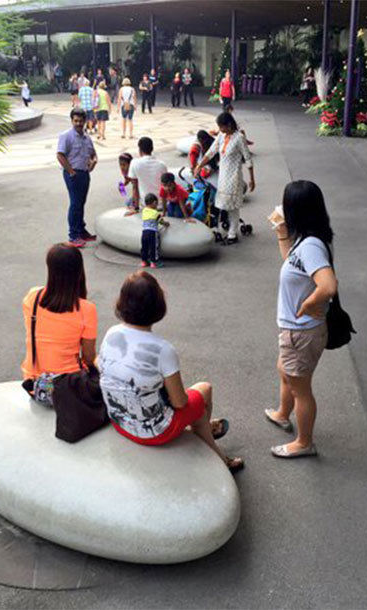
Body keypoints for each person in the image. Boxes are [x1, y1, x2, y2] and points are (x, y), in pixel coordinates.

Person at [97, 271, 244, 473]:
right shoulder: (162, 349)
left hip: (119, 421)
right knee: (203, 391)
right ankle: (219, 458)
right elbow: (179, 402)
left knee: (194, 407)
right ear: (157, 306)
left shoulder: (111, 333)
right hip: (152, 432)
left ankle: (203, 429)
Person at [265, 180, 338, 459]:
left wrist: (308, 304)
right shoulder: (307, 240)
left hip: (301, 332)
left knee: (301, 388)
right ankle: (284, 413)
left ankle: (304, 442)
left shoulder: (311, 246)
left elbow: (329, 285)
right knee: (286, 371)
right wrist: (282, 232)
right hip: (296, 330)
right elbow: (291, 265)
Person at [21, 243, 97, 405]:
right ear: (79, 271)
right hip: (68, 386)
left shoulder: (32, 297)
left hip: (34, 382)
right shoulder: (86, 308)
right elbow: (89, 357)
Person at [194, 112, 254, 245]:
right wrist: (199, 166)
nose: (220, 129)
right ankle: (225, 229)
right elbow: (211, 152)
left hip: (234, 176)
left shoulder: (239, 138)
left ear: (229, 125)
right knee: (221, 203)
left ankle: (232, 234)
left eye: (221, 126)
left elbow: (248, 159)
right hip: (223, 176)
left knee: (233, 206)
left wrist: (252, 179)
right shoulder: (221, 136)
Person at [56, 108, 98, 247]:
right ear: (72, 120)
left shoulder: (87, 137)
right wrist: (71, 172)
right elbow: (60, 155)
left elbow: (93, 153)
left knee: (81, 203)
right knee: (75, 204)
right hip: (72, 174)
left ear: (85, 121)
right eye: (76, 121)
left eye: (81, 120)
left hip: (84, 173)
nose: (79, 123)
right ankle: (73, 236)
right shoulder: (66, 136)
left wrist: (94, 161)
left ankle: (81, 231)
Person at [127, 136, 167, 215]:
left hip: (146, 206)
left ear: (140, 150)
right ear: (152, 149)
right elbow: (165, 188)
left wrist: (136, 208)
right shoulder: (162, 165)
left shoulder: (135, 163)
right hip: (161, 206)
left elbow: (134, 187)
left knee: (128, 202)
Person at [140, 193, 167, 268]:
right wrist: (166, 224)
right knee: (154, 247)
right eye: (156, 204)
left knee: (144, 247)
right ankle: (154, 262)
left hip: (144, 232)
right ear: (155, 203)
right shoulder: (156, 213)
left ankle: (144, 261)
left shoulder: (144, 211)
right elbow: (161, 222)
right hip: (152, 232)